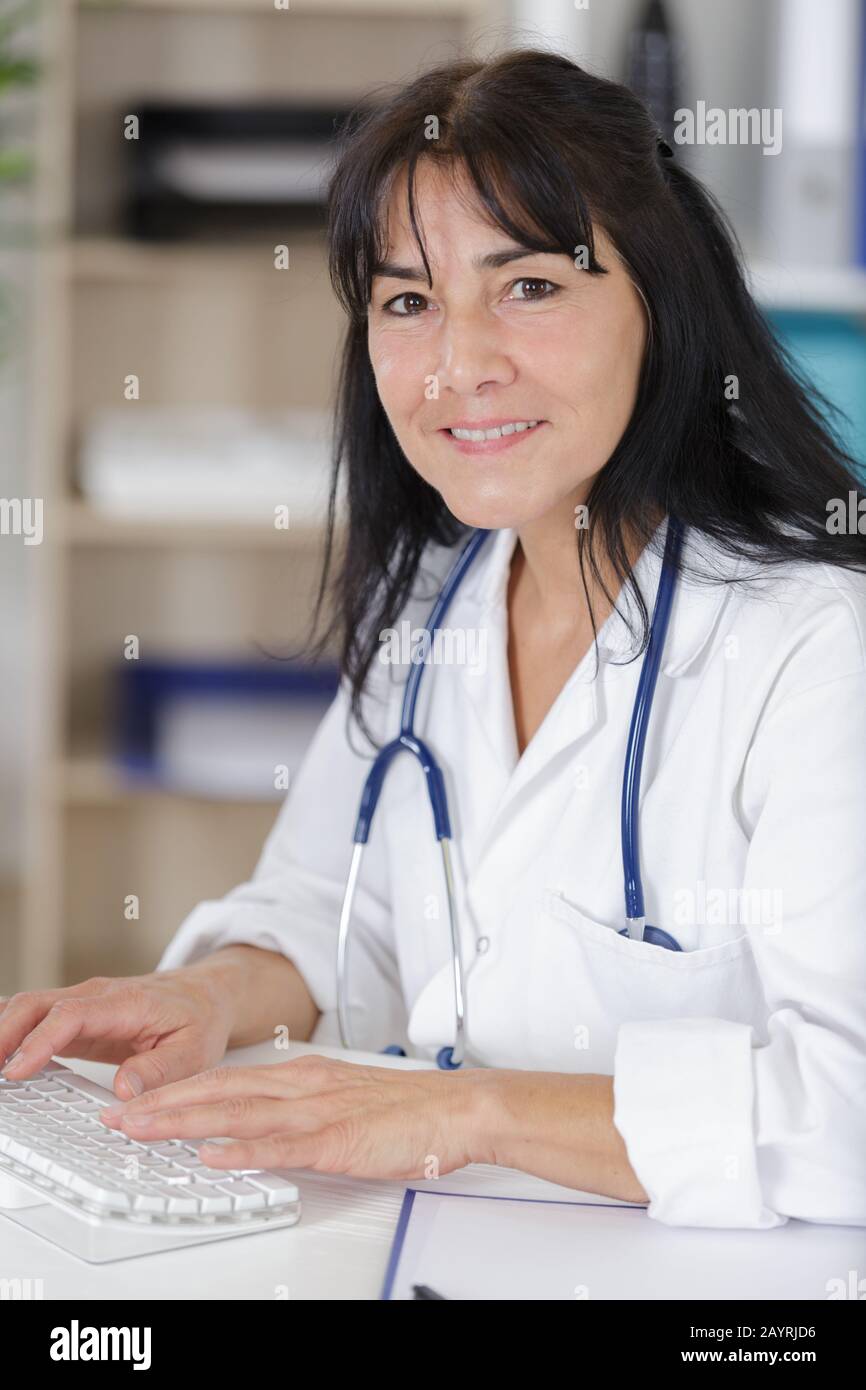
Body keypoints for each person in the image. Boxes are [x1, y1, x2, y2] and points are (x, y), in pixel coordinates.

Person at [2, 48, 865, 1230]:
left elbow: (848, 1112)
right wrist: (208, 994)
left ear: (661, 306)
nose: (458, 365)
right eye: (408, 302)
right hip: (452, 1250)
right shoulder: (433, 606)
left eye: (528, 287)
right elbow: (330, 912)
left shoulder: (815, 650)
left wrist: (459, 1115)